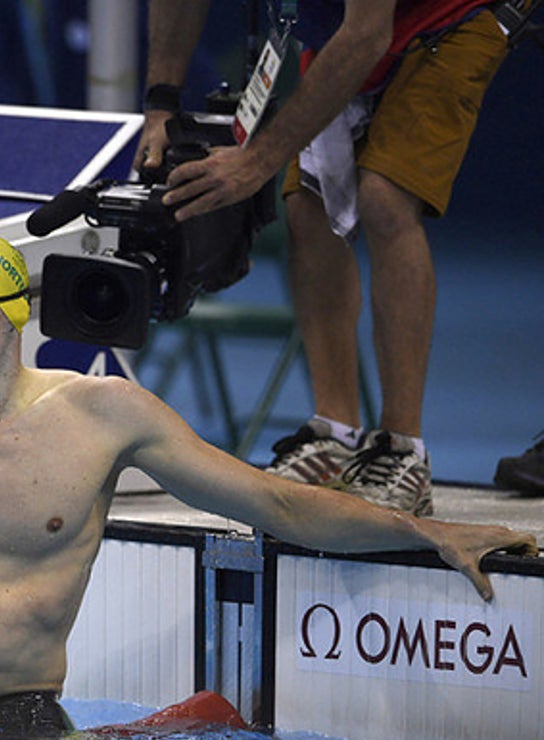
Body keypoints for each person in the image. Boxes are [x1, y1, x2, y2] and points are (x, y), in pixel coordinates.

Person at [0, 67, 536, 740]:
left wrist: (424, 531)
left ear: (14, 317)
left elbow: (267, 501)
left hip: (35, 733)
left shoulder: (101, 416)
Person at [136, 0, 519, 517]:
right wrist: (160, 103)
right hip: (341, 32)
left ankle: (403, 449)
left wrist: (257, 162)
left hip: (449, 17)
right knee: (307, 209)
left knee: (384, 197)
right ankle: (335, 436)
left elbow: (366, 36)